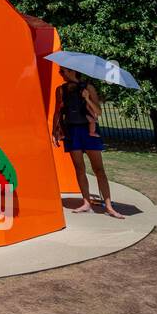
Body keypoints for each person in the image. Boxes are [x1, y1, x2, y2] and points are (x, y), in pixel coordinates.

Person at [53, 67, 123, 219]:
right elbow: (57, 112)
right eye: (60, 72)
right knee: (79, 168)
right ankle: (86, 203)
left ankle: (109, 206)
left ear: (72, 71)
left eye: (63, 71)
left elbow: (98, 112)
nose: (61, 74)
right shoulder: (60, 90)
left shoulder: (88, 87)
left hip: (89, 131)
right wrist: (55, 131)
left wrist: (87, 98)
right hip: (72, 132)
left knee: (99, 170)